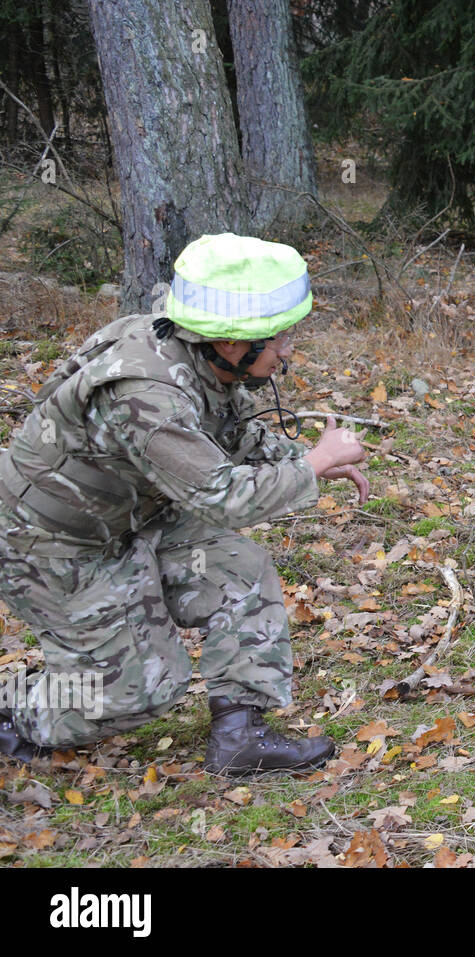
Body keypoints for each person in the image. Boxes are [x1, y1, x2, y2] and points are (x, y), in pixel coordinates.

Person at [0, 233, 368, 775]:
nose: (288, 349)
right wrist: (309, 467)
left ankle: (241, 735)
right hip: (53, 544)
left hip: (135, 517)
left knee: (239, 571)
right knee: (140, 692)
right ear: (229, 344)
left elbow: (225, 430)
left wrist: (302, 457)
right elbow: (223, 497)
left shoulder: (193, 356)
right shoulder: (144, 392)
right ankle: (15, 712)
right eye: (279, 337)